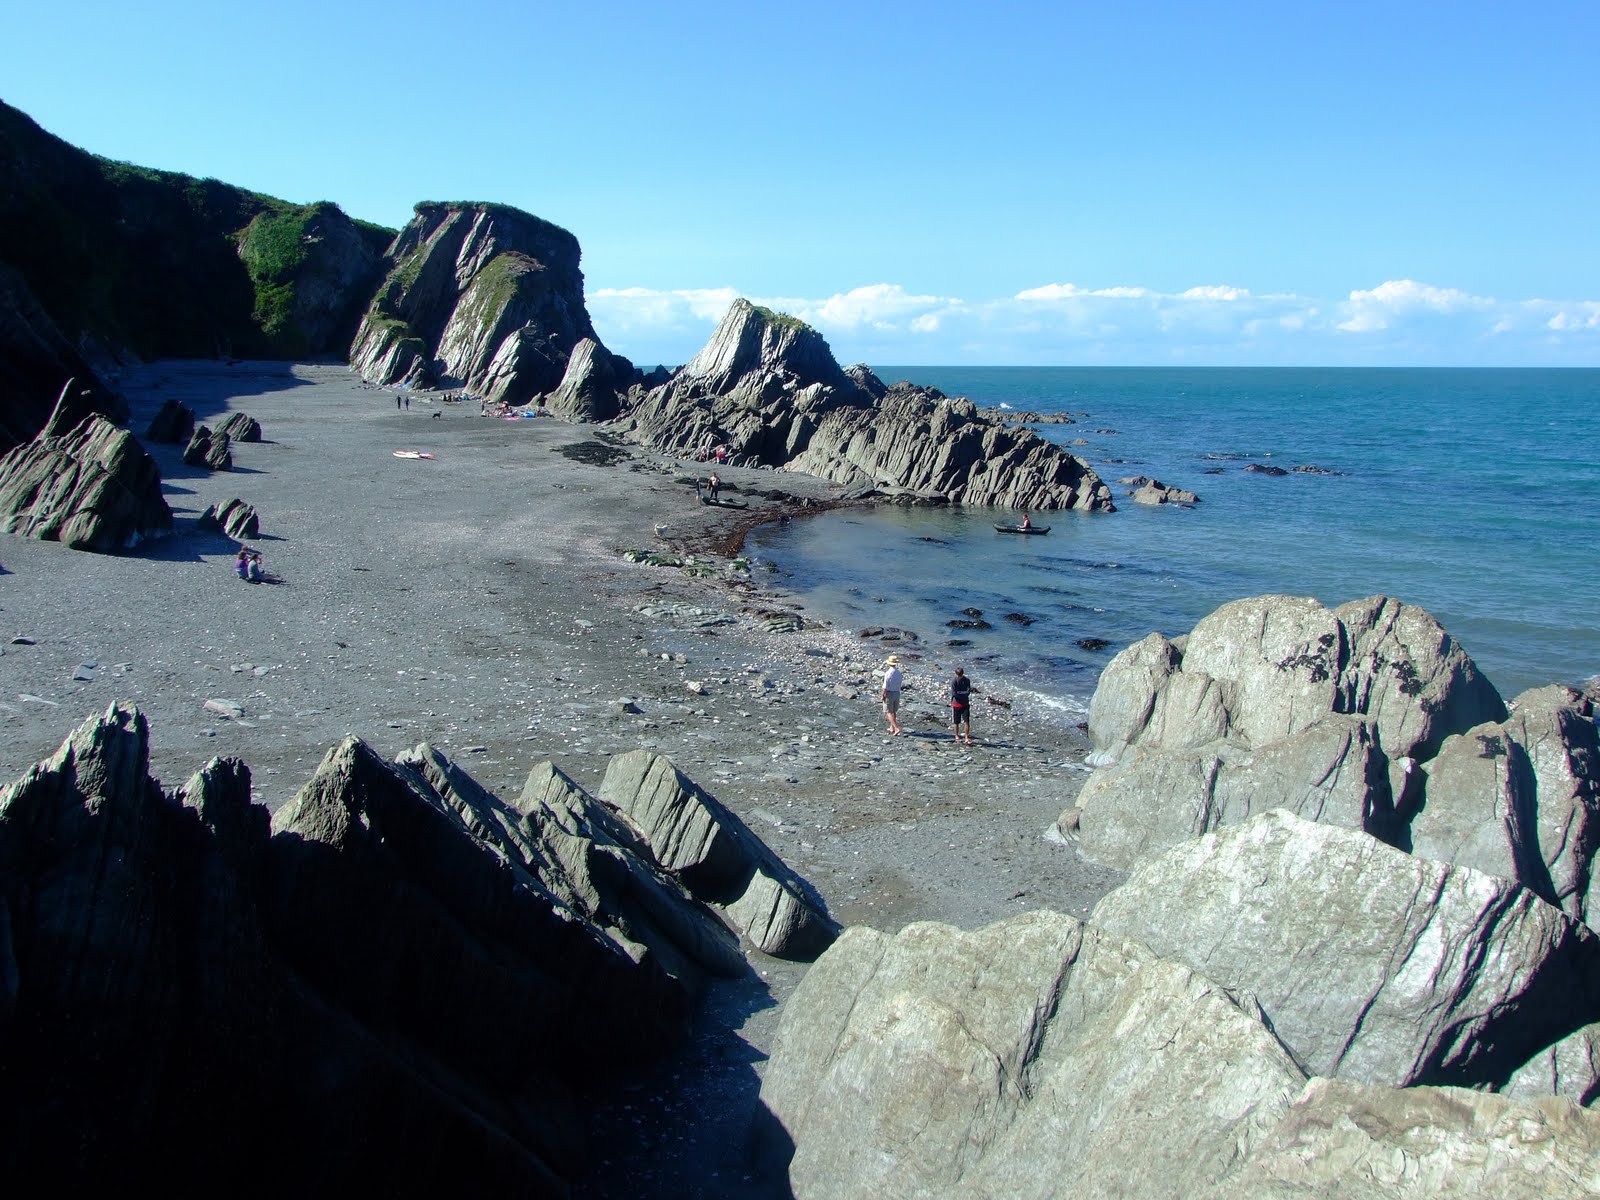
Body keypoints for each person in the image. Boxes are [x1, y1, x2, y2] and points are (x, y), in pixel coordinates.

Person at [881, 655, 904, 736]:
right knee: (894, 710)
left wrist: (883, 695)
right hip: (897, 693)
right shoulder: (899, 673)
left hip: (889, 693)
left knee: (888, 712)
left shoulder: (888, 673)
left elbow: (885, 686)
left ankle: (896, 728)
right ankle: (892, 727)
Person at [950, 667, 973, 745]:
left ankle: (963, 736)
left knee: (963, 721)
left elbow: (955, 693)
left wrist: (960, 695)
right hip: (960, 703)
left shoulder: (964, 680)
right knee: (959, 721)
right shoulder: (956, 681)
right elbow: (955, 693)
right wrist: (963, 695)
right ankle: (959, 736)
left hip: (961, 703)